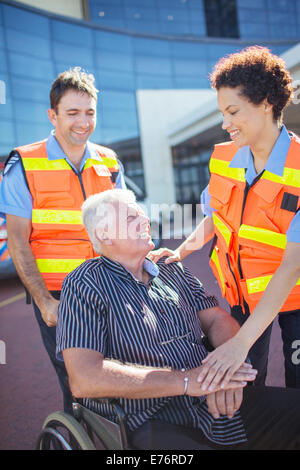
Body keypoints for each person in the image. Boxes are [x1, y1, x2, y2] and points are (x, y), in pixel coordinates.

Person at [56, 188, 300, 450]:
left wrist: (228, 368)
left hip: (213, 400)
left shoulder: (170, 268)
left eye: (143, 216)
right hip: (150, 418)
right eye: (130, 218)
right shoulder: (84, 283)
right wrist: (186, 381)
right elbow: (84, 378)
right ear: (104, 234)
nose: (145, 221)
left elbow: (216, 320)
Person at [149, 46, 300, 390]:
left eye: (233, 111)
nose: (224, 123)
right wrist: (182, 251)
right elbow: (216, 215)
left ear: (266, 103)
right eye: (222, 113)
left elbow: (292, 266)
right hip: (243, 295)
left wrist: (240, 343)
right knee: (246, 384)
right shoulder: (223, 158)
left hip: (295, 293)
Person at [0, 67, 125, 414]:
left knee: (121, 372)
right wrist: (43, 302)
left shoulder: (110, 162)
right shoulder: (24, 163)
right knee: (77, 383)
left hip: (110, 287)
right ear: (52, 115)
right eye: (72, 113)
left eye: (90, 113)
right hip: (60, 296)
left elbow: (123, 225)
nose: (83, 122)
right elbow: (18, 240)